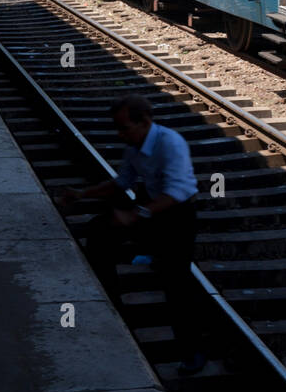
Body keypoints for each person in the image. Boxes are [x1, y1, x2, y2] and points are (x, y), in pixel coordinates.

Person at [55, 94, 205, 375]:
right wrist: (82, 194)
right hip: (152, 209)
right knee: (99, 231)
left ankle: (192, 352)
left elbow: (179, 192)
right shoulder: (135, 145)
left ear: (145, 122)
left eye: (124, 127)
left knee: (177, 283)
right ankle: (112, 305)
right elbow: (122, 181)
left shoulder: (170, 143)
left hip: (178, 216)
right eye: (118, 128)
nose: (120, 134)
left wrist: (135, 215)